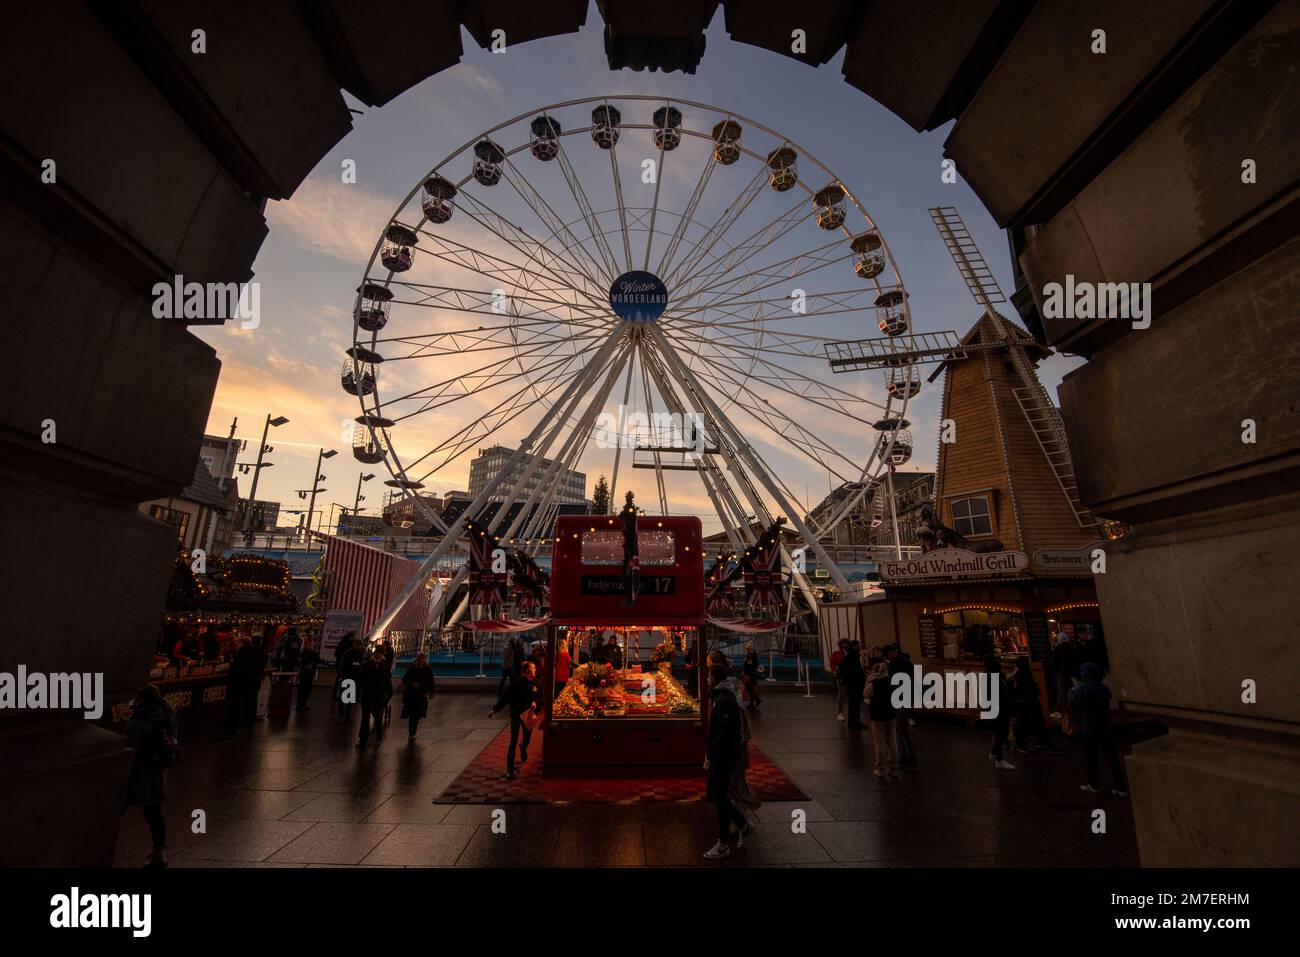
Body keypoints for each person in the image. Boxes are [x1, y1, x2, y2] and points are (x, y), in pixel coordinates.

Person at [704, 664, 754, 859]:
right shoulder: (722, 695)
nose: (707, 678)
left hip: (722, 754)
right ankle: (743, 824)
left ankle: (723, 843)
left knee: (719, 796)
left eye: (709, 675)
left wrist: (714, 748)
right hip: (720, 753)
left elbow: (725, 731)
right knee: (716, 794)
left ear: (715, 677)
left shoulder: (724, 699)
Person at [123, 685, 176, 867]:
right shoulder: (168, 715)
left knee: (116, 808)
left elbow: (130, 751)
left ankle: (96, 846)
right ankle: (160, 853)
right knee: (154, 813)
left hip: (139, 773)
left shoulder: (137, 722)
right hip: (159, 772)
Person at [1070, 661, 1127, 797]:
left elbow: (1073, 703)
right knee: (1112, 759)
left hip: (1090, 729)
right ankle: (1121, 787)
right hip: (1106, 727)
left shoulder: (1084, 689)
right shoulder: (1104, 688)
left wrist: (1074, 692)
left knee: (1092, 758)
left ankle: (1094, 784)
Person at [489, 660, 540, 780]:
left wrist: (536, 704)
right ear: (524, 672)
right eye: (532, 670)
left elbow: (540, 698)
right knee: (513, 741)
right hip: (517, 715)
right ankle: (510, 770)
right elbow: (505, 698)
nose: (534, 672)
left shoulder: (536, 684)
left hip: (528, 715)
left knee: (527, 738)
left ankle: (523, 747)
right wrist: (495, 710)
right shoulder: (516, 684)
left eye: (533, 670)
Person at [1010, 656, 1060, 752]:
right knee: (1030, 721)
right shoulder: (1023, 674)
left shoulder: (1018, 674)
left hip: (1026, 701)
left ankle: (1031, 741)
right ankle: (1037, 740)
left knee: (1027, 722)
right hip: (1028, 701)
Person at [863, 652, 899, 778]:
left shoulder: (874, 684)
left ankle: (881, 768)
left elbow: (865, 694)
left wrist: (869, 678)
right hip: (891, 714)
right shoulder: (892, 682)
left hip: (878, 715)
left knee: (880, 742)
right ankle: (894, 767)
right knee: (892, 741)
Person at [884, 643, 919, 771]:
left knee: (903, 729)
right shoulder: (898, 663)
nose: (891, 656)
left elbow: (908, 682)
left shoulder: (902, 664)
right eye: (889, 654)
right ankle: (905, 755)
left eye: (892, 653)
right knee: (900, 729)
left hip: (902, 700)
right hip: (899, 699)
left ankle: (911, 758)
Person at [357, 648, 393, 748]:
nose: (378, 654)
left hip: (378, 696)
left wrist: (388, 696)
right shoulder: (368, 665)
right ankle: (363, 740)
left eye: (379, 653)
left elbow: (387, 682)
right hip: (368, 695)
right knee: (365, 719)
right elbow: (361, 679)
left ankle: (378, 736)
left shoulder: (385, 666)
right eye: (377, 653)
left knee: (378, 718)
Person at [986, 656, 1015, 769]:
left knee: (1000, 733)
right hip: (997, 710)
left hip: (994, 710)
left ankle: (996, 755)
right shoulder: (993, 677)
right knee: (1001, 732)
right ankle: (998, 759)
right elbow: (999, 695)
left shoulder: (990, 675)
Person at [400, 652, 436, 740]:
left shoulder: (427, 669)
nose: (421, 661)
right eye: (420, 659)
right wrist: (412, 683)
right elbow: (405, 679)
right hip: (412, 696)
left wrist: (431, 691)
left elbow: (431, 680)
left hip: (422, 695)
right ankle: (411, 733)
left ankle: (413, 731)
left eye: (423, 659)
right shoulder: (412, 668)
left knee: (418, 715)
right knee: (412, 716)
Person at [839, 640, 866, 730]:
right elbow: (845, 669)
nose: (859, 647)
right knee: (854, 705)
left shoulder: (851, 656)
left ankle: (854, 722)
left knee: (854, 704)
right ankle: (854, 723)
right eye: (857, 646)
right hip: (854, 684)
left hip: (853, 684)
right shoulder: (852, 656)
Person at [336, 637, 364, 719]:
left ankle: (346, 712)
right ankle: (343, 711)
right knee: (345, 694)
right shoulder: (351, 653)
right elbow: (343, 665)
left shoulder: (350, 653)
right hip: (349, 675)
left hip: (351, 675)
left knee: (347, 695)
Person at [296, 636, 320, 712]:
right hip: (309, 675)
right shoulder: (312, 653)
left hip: (303, 673)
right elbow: (318, 659)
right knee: (306, 690)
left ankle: (300, 704)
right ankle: (302, 705)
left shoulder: (303, 652)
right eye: (312, 642)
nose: (313, 644)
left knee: (302, 689)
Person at [829, 638, 848, 722]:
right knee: (842, 694)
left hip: (851, 677)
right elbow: (832, 663)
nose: (845, 646)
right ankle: (840, 713)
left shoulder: (851, 653)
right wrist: (836, 669)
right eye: (843, 644)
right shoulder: (836, 654)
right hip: (841, 676)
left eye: (846, 644)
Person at [741, 644, 762, 710]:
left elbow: (749, 666)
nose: (746, 650)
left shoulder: (751, 656)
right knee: (750, 688)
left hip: (749, 675)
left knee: (749, 688)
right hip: (751, 675)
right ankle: (752, 703)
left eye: (747, 649)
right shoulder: (752, 656)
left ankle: (756, 700)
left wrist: (745, 671)